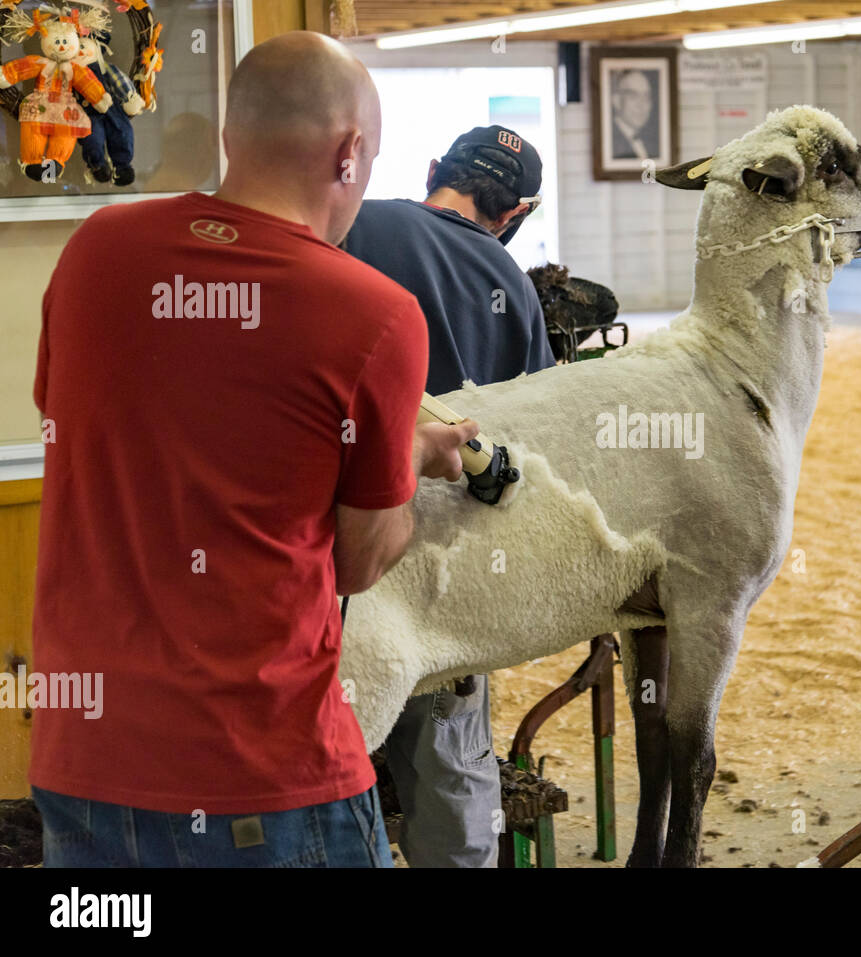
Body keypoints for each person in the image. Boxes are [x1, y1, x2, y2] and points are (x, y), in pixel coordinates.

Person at [28, 31, 476, 867]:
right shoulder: (375, 315)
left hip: (82, 761)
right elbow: (359, 561)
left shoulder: (96, 253)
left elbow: (85, 422)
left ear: (233, 136)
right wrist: (407, 456)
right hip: (263, 780)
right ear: (350, 154)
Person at [342, 124, 553, 867]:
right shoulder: (516, 288)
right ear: (516, 212)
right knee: (452, 762)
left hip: (347, 546)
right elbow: (534, 434)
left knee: (335, 758)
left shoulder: (359, 222)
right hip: (448, 567)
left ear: (436, 169)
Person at [609, 69, 658, 161]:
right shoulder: (610, 141)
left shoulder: (651, 141)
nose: (641, 105)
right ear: (617, 100)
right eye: (633, 96)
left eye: (646, 97)